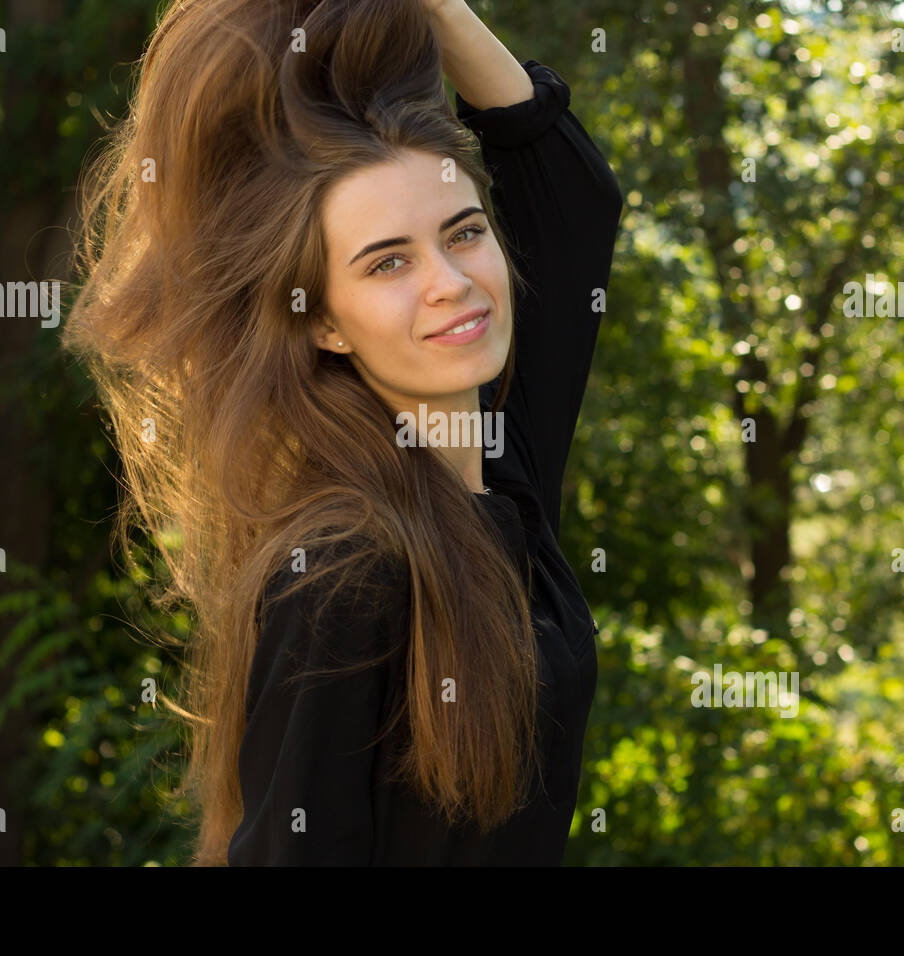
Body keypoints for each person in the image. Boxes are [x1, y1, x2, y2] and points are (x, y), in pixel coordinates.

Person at [62, 0, 621, 866]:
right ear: (322, 320)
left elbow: (571, 197)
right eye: (388, 261)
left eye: (463, 234)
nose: (450, 284)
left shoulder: (504, 480)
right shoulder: (344, 572)